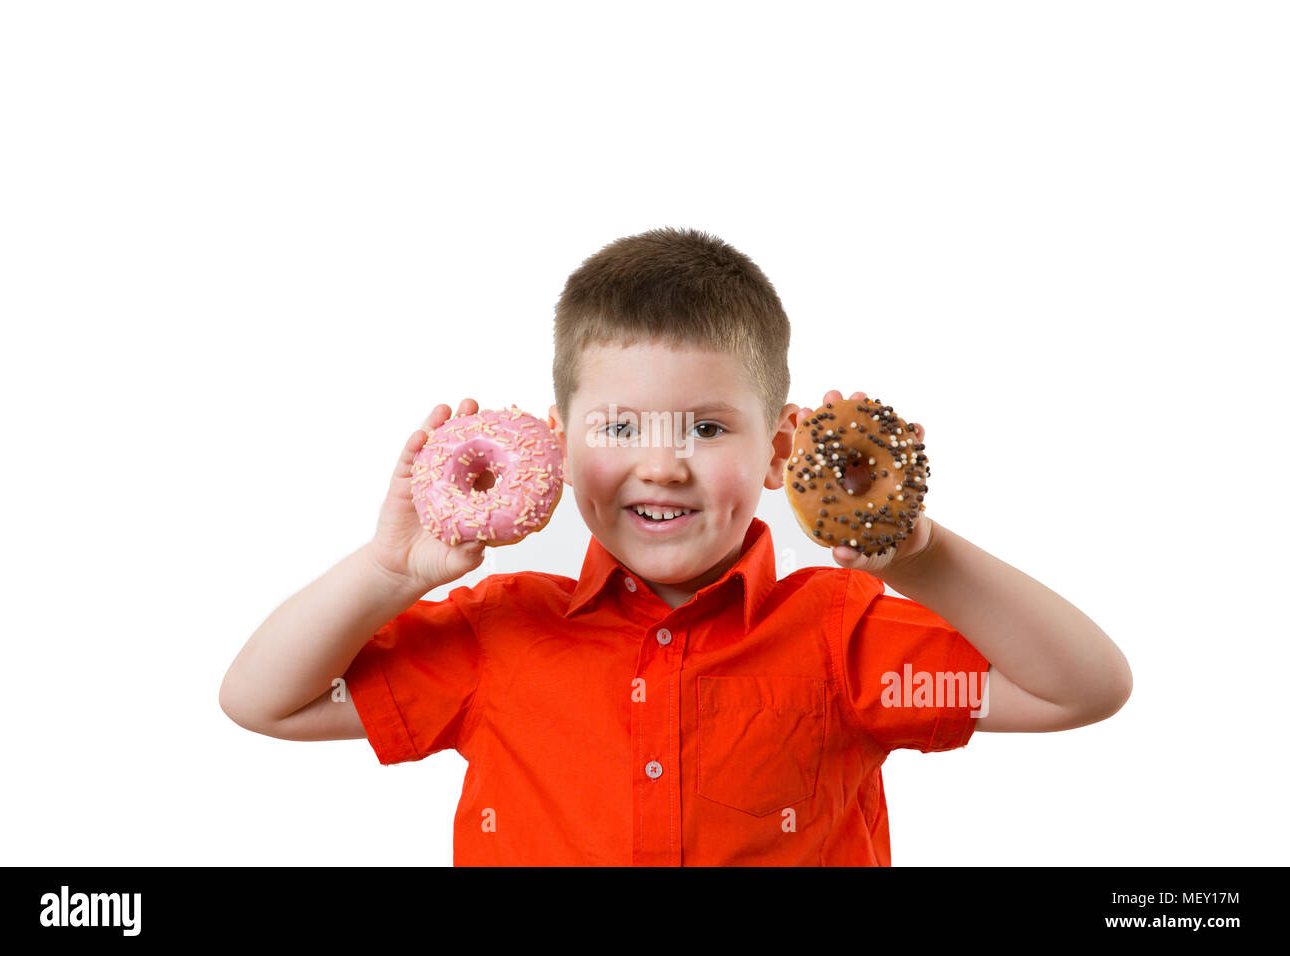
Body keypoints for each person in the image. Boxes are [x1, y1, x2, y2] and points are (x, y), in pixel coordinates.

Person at [219, 226, 1132, 865]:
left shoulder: (841, 641)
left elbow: (1081, 689)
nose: (663, 465)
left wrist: (919, 554)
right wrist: (387, 573)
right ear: (559, 446)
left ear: (780, 453)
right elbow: (266, 702)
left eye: (705, 426)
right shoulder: (496, 639)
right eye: (619, 427)